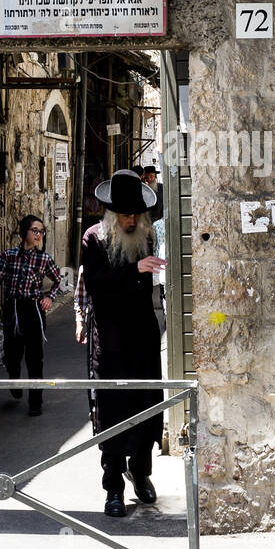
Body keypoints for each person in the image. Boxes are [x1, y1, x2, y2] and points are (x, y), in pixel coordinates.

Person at [81, 170, 166, 517]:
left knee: (146, 412)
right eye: (125, 214)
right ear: (112, 214)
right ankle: (113, 487)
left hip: (143, 341)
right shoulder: (93, 239)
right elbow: (98, 287)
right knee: (113, 416)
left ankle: (141, 474)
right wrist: (135, 271)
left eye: (136, 214)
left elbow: (142, 293)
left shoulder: (145, 237)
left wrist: (140, 272)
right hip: (111, 344)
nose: (131, 220)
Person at [0, 214, 64, 416]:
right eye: (35, 230)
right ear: (24, 232)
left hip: (33, 310)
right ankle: (14, 378)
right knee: (12, 353)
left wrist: (49, 297)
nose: (38, 235)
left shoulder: (44, 259)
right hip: (13, 309)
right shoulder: (8, 256)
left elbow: (59, 280)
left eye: (41, 231)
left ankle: (36, 402)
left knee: (35, 358)